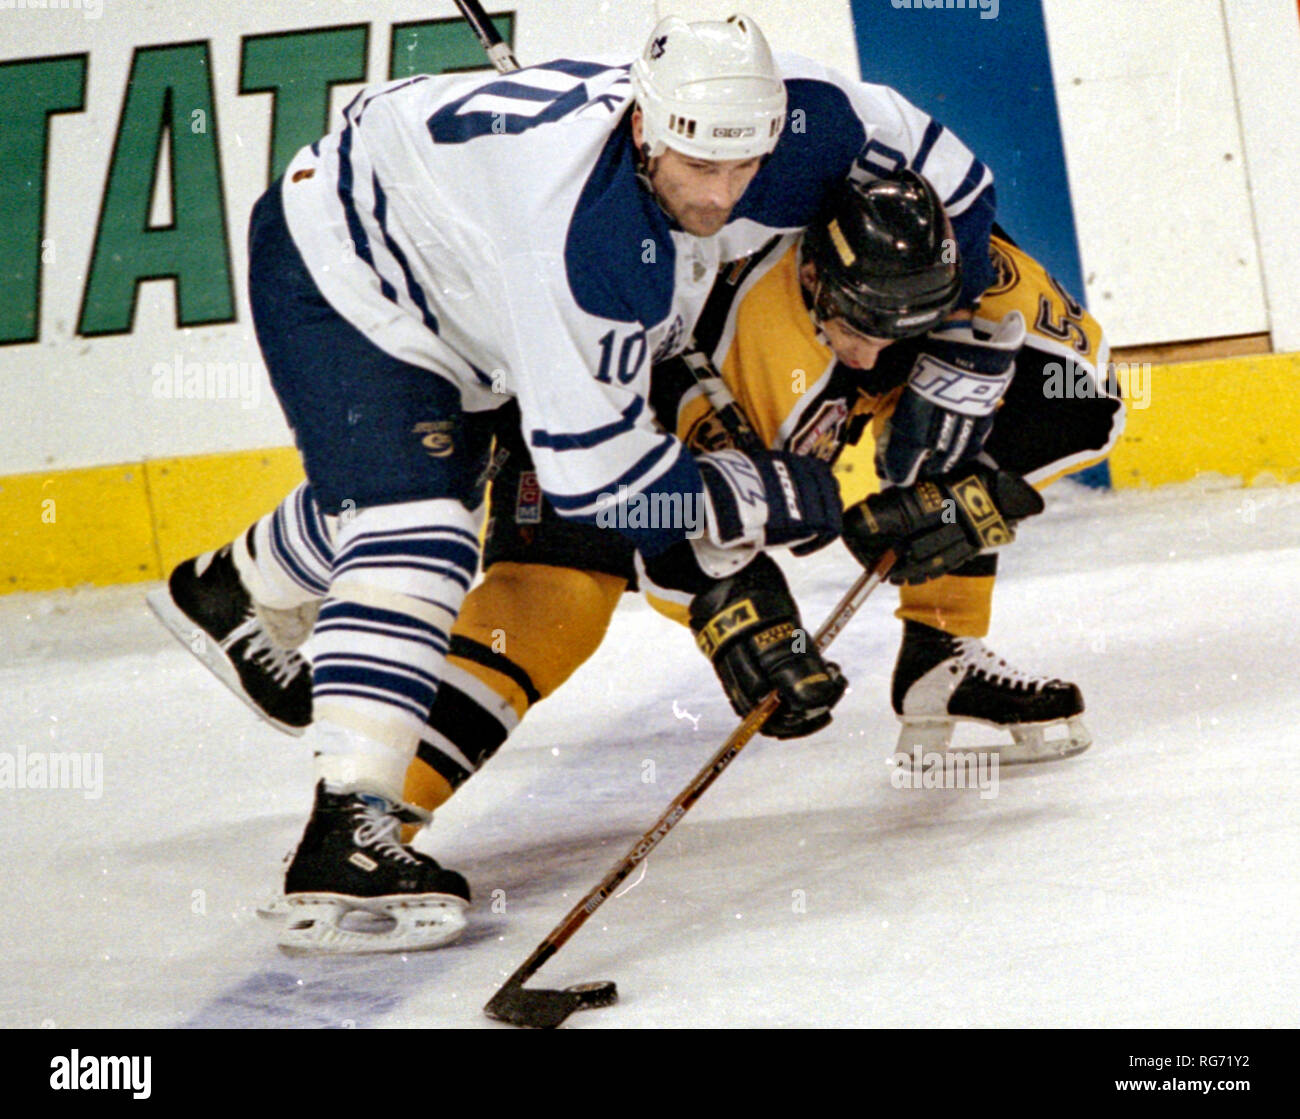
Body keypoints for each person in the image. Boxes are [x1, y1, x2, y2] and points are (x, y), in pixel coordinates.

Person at [150, 13, 1002, 954]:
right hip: (351, 259)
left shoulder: (805, 118)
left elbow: (956, 178)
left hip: (456, 251)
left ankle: (238, 587)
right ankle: (347, 832)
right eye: (697, 168)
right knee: (419, 523)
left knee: (420, 470)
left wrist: (953, 316)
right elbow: (604, 491)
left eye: (743, 167)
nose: (720, 197)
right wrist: (757, 496)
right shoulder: (584, 250)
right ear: (645, 126)